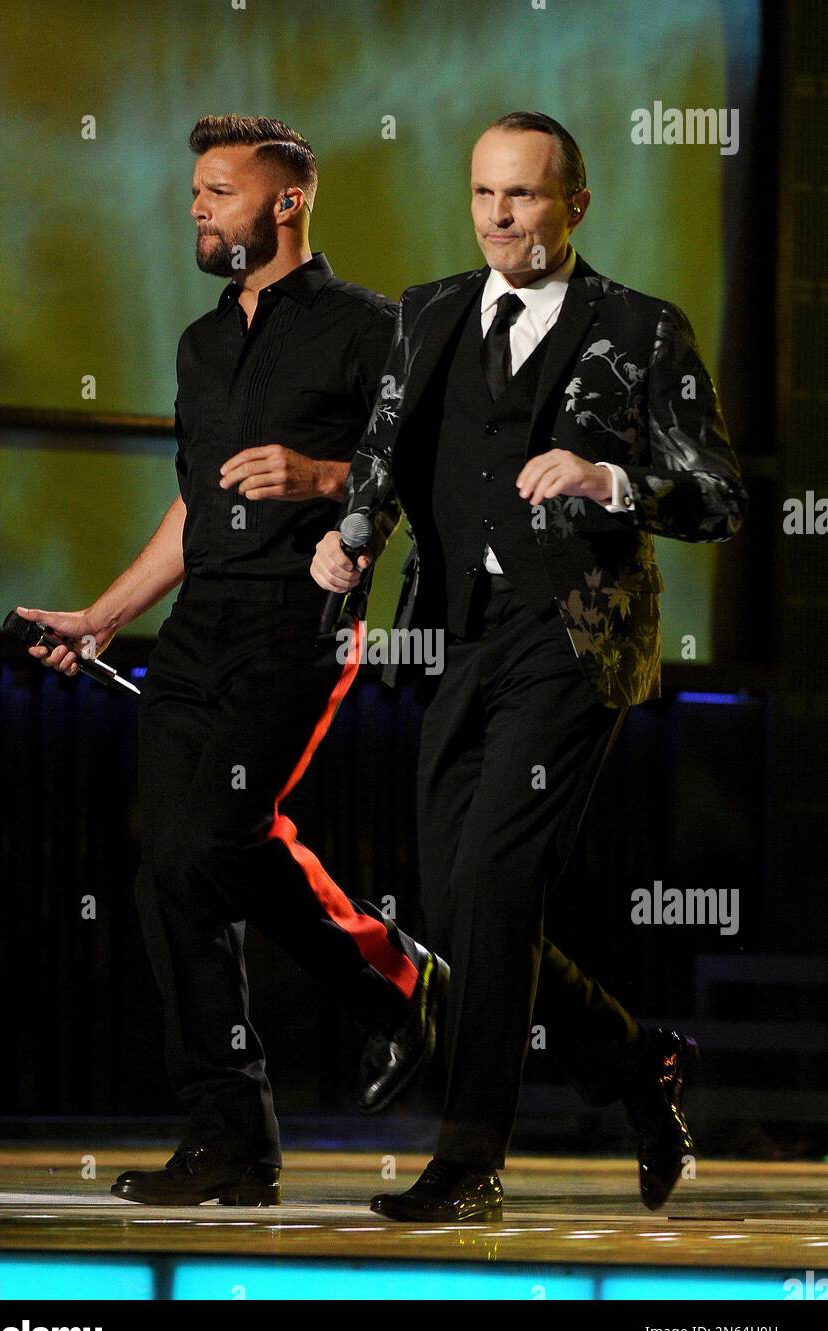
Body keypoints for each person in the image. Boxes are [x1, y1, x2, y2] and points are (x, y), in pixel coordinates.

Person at [312, 110, 747, 1222]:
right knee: (461, 911)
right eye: (483, 196)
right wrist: (350, 534)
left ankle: (469, 1159)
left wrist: (609, 480)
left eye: (524, 196)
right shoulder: (430, 314)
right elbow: (382, 449)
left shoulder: (644, 330)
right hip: (457, 636)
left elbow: (721, 496)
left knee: (496, 882)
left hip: (574, 639)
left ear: (576, 203)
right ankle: (638, 1061)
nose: (500, 217)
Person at [17, 114, 447, 1208]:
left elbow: (427, 472)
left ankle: (398, 984)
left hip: (297, 622)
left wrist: (317, 480)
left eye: (218, 190)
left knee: (213, 837)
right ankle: (233, 1136)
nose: (198, 207)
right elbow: (195, 503)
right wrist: (105, 615)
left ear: (287, 201)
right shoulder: (203, 343)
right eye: (195, 190)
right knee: (172, 869)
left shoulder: (370, 329)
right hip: (198, 627)